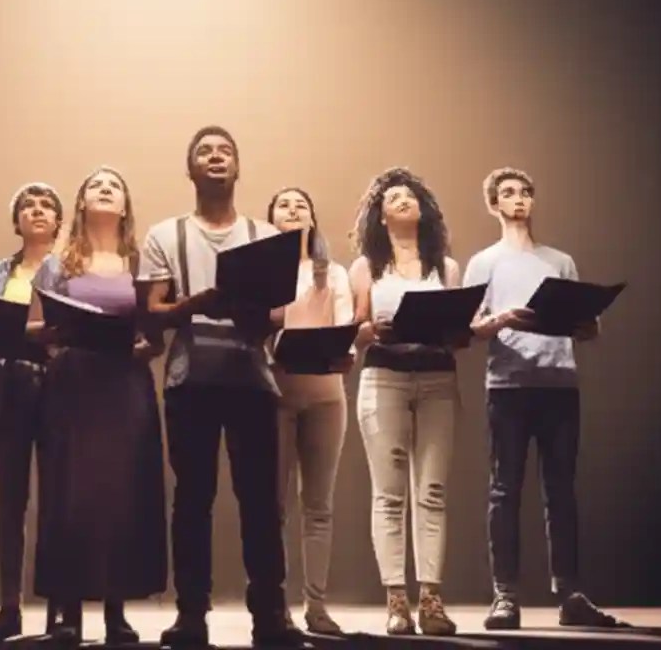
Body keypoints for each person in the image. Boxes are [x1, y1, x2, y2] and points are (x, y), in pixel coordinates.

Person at [138, 126, 302, 648]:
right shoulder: (165, 235)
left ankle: (270, 614)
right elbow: (151, 314)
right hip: (191, 384)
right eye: (204, 152)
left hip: (252, 382)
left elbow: (278, 313)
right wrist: (194, 304)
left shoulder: (264, 235)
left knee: (259, 500)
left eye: (224, 151)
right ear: (190, 170)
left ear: (237, 168)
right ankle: (191, 615)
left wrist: (255, 316)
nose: (215, 157)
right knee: (192, 500)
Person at [463, 167, 629, 631]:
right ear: (494, 204)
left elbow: (589, 325)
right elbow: (470, 328)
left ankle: (570, 595)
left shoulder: (560, 260)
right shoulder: (484, 262)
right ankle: (505, 596)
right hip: (508, 387)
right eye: (510, 192)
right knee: (504, 491)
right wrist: (502, 320)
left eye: (527, 192)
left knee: (561, 492)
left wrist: (589, 324)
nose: (520, 199)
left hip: (559, 384)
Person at [30, 166, 168, 645]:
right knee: (70, 496)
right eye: (95, 185)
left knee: (122, 495)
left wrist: (144, 346)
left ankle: (116, 610)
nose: (105, 189)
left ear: (125, 205)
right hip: (73, 385)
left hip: (124, 385)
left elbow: (156, 337)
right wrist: (51, 336)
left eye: (114, 185)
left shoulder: (140, 262)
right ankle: (67, 612)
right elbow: (35, 327)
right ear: (82, 203)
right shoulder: (57, 263)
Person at [348, 167, 467, 637]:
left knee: (433, 491)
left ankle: (432, 599)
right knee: (389, 492)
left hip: (438, 375)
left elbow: (460, 332)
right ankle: (396, 598)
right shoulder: (365, 267)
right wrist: (373, 330)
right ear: (378, 214)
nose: (402, 200)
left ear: (424, 210)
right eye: (392, 197)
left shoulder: (446, 266)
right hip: (384, 377)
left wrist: (457, 330)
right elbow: (354, 331)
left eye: (410, 195)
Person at [0, 182, 64, 641]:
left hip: (56, 388)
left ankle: (56, 609)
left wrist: (30, 334)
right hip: (8, 385)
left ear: (60, 220)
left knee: (55, 503)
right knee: (11, 503)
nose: (37, 210)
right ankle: (10, 606)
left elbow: (71, 330)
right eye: (28, 205)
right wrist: (21, 334)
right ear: (17, 220)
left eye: (47, 205)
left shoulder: (71, 268)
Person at [265, 188, 353, 637]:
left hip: (325, 395)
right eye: (284, 204)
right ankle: (275, 606)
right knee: (274, 507)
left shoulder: (331, 272)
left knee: (318, 506)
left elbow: (344, 326)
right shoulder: (263, 273)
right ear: (270, 219)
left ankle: (316, 606)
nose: (294, 208)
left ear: (313, 217)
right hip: (276, 394)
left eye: (302, 203)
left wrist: (347, 350)